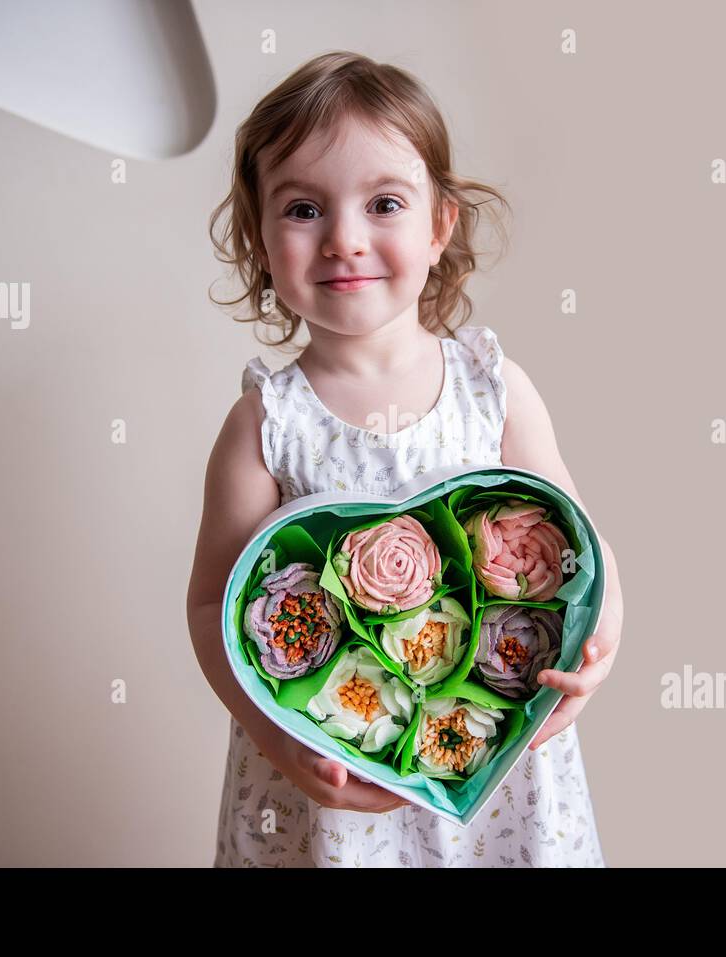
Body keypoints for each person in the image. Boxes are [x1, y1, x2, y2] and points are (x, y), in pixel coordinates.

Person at [186, 51, 624, 867]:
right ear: (259, 237)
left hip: (493, 763)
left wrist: (597, 657)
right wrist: (278, 746)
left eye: (383, 203)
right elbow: (216, 602)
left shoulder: (494, 391)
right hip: (332, 781)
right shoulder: (264, 425)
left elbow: (584, 549)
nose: (344, 239)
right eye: (304, 209)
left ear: (439, 226)